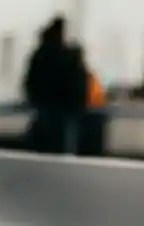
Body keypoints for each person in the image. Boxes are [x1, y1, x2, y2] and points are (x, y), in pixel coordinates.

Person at [23, 17, 87, 154]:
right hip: (64, 108)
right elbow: (77, 84)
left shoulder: (41, 54)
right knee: (61, 145)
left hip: (45, 105)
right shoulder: (69, 56)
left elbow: (31, 81)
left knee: (42, 143)